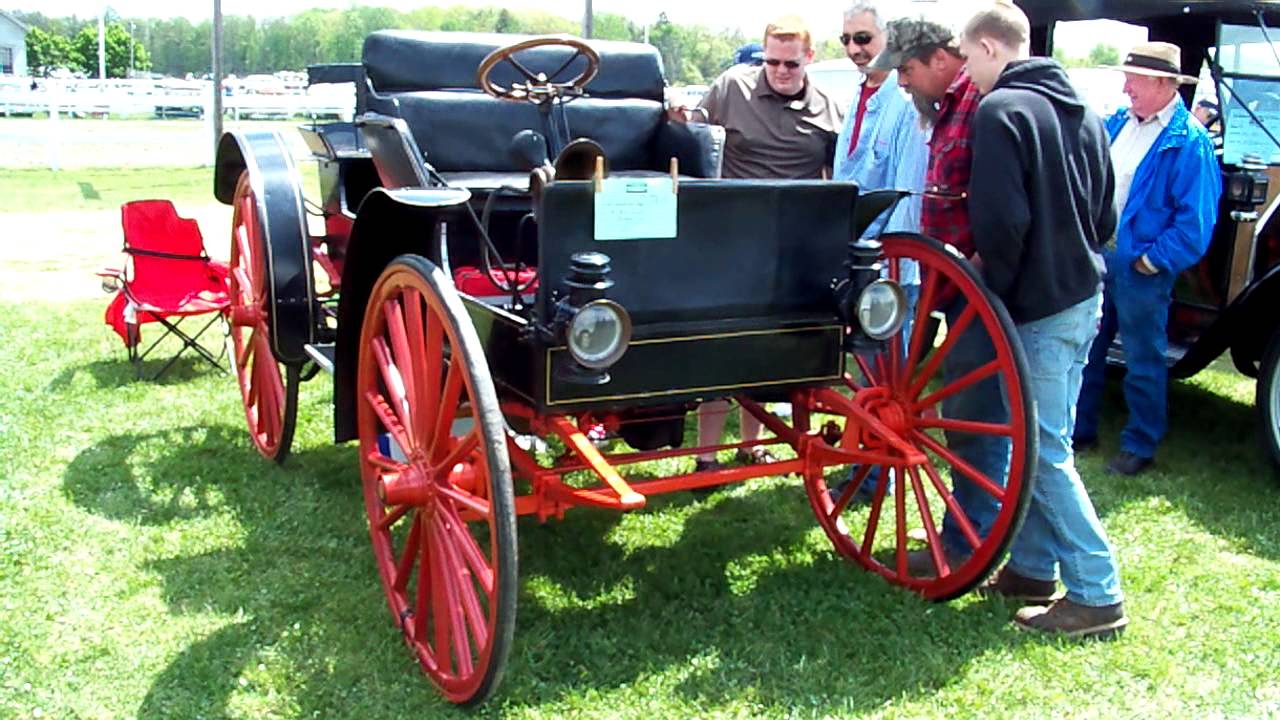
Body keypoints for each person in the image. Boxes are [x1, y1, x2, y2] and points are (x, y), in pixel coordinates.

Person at [960, 1, 1127, 639]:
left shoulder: (1001, 110)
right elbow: (1107, 212)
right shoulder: (1081, 108)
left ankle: (1097, 590)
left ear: (992, 49)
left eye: (970, 59)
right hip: (1084, 292)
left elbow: (1001, 222)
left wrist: (989, 290)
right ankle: (1031, 568)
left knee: (1043, 450)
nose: (968, 75)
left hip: (1034, 304)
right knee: (1034, 436)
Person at [670, 16, 843, 472]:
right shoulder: (732, 87)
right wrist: (678, 118)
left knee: (771, 350)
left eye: (790, 63)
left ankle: (752, 444)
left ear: (809, 59)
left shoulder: (829, 107)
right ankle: (706, 456)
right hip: (730, 239)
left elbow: (836, 176)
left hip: (795, 247)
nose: (781, 71)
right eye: (772, 61)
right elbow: (694, 135)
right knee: (719, 344)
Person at [871, 16, 1009, 569]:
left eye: (905, 69)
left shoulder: (981, 106)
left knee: (976, 412)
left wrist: (976, 269)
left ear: (939, 59)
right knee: (952, 400)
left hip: (977, 286)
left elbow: (997, 203)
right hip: (945, 282)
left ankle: (967, 539)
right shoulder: (944, 108)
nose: (901, 83)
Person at [1073, 42, 1222, 476]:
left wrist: (1150, 263)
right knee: (1088, 349)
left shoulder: (1189, 142)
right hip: (1104, 259)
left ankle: (1140, 444)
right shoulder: (1119, 122)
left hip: (1140, 269)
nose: (1125, 86)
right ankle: (1080, 430)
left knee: (1143, 359)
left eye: (1133, 78)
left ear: (1161, 83)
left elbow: (1195, 226)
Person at [828, 1, 929, 503]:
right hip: (859, 255)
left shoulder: (905, 102)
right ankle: (866, 464)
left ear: (889, 38)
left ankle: (875, 471)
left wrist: (888, 262)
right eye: (846, 40)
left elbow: (906, 192)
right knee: (870, 373)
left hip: (890, 265)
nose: (853, 50)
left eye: (863, 39)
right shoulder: (862, 94)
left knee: (889, 379)